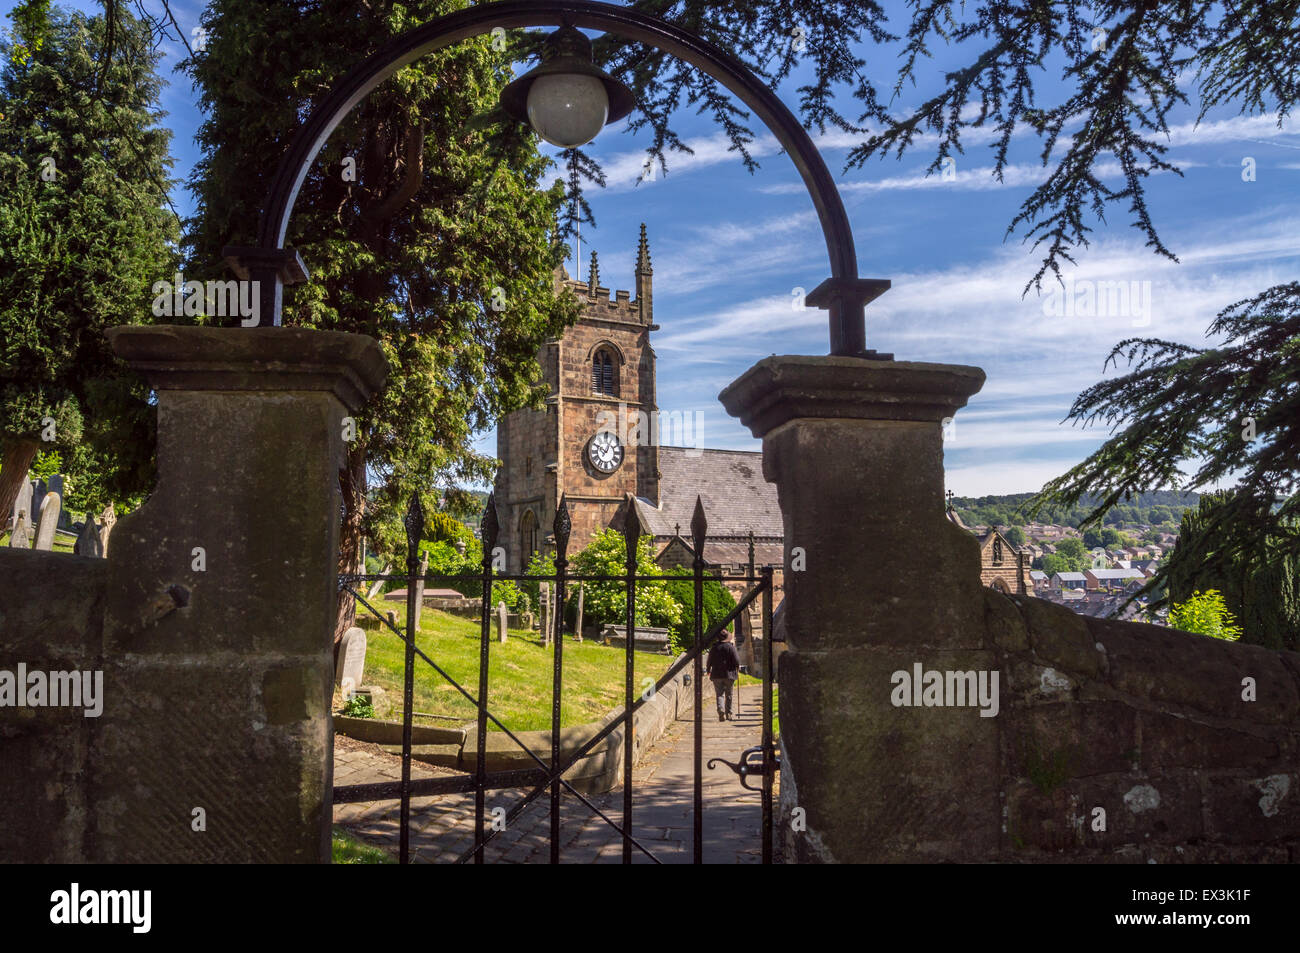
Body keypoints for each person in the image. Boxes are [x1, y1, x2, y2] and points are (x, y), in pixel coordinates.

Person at [705, 630, 740, 721]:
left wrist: (708, 670)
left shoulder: (714, 647)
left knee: (719, 694)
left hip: (716, 674)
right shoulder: (731, 647)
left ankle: (721, 710)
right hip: (729, 674)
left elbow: (709, 660)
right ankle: (728, 713)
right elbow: (736, 660)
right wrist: (737, 667)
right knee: (729, 694)